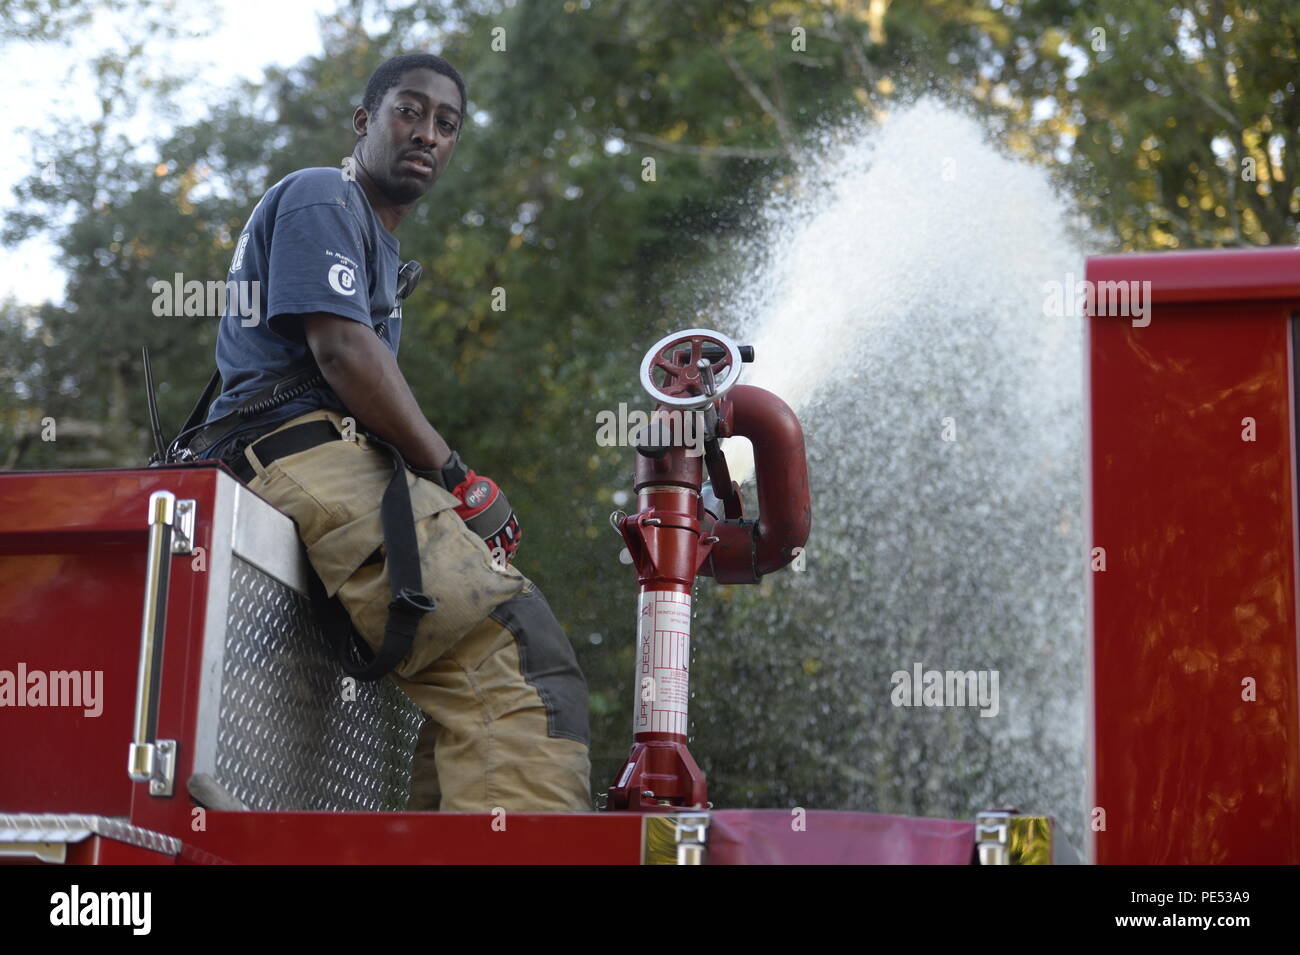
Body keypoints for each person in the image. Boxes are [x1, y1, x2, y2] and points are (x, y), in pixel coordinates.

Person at [183, 52, 592, 813]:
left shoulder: (377, 246)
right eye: (409, 110)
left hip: (318, 462)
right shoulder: (320, 196)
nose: (428, 133)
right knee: (507, 646)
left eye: (447, 124)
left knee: (465, 684)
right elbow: (343, 353)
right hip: (302, 454)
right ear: (364, 121)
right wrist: (456, 478)